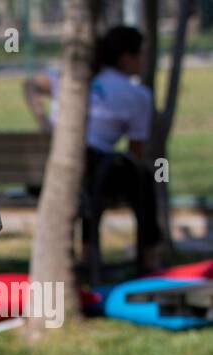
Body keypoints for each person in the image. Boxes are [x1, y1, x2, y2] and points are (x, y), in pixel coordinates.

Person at [24, 24, 163, 273]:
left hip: (46, 169)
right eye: (141, 54)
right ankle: (149, 258)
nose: (144, 60)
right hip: (90, 171)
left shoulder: (71, 80)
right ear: (126, 58)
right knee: (139, 178)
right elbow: (136, 152)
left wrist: (43, 120)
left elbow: (31, 84)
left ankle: (89, 255)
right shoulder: (137, 94)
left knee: (92, 178)